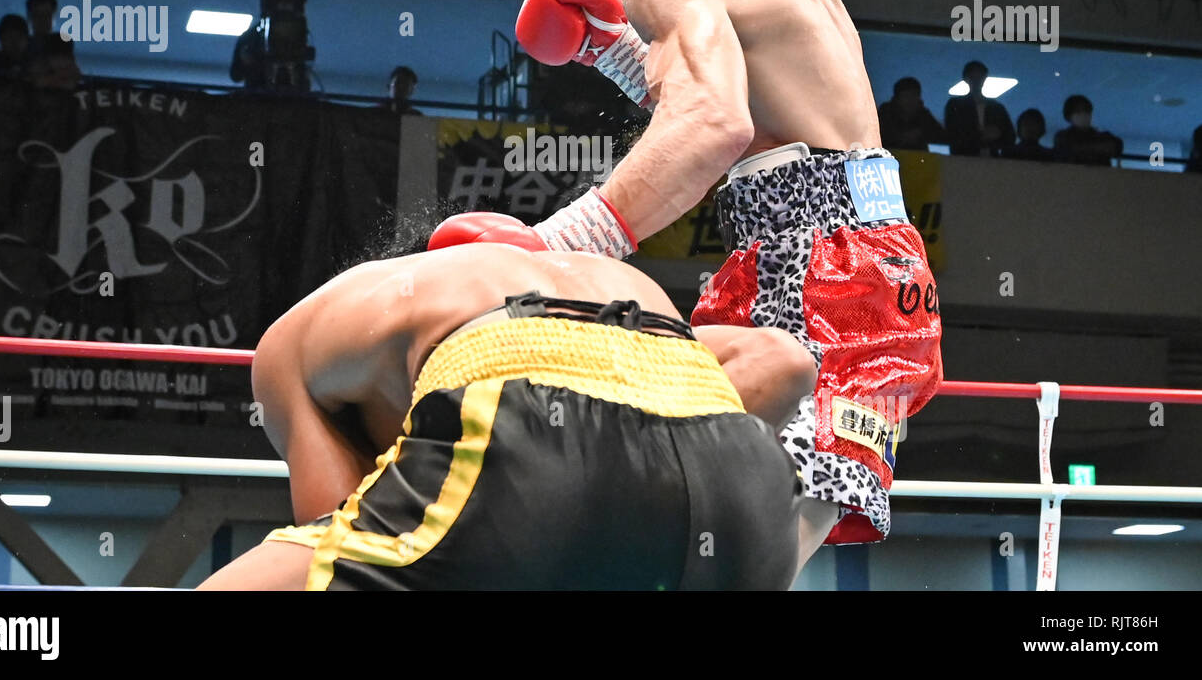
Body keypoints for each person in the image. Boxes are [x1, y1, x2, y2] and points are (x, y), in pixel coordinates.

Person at [445, 0, 944, 549]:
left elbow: (713, 122)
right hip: (868, 262)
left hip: (812, 268)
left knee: (719, 540)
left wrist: (553, 249)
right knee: (702, 528)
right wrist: (612, 53)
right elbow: (757, 102)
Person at [198, 238, 816, 590]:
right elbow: (786, 360)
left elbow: (332, 531)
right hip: (745, 489)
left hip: (526, 434)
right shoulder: (607, 281)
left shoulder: (303, 337)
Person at [942, 61, 1014, 157]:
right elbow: (952, 134)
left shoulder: (997, 108)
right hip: (965, 159)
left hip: (981, 160)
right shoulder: (955, 105)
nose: (977, 81)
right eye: (973, 77)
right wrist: (984, 136)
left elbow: (1010, 136)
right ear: (966, 79)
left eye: (979, 77)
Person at [25, 0, 82, 89]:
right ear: (29, 17)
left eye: (47, 15)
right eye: (38, 15)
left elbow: (70, 73)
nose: (42, 20)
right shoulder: (22, 43)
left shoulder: (62, 41)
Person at [1051, 95, 1124, 166]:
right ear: (1068, 116)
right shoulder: (1062, 136)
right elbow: (1068, 150)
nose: (1083, 114)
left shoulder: (1103, 136)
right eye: (1078, 111)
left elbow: (1117, 146)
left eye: (1086, 110)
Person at [877, 77, 946, 151]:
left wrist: (922, 133)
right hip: (889, 159)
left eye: (914, 95)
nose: (910, 100)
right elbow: (877, 138)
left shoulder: (924, 115)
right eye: (906, 96)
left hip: (920, 160)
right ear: (897, 98)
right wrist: (901, 138)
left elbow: (942, 138)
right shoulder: (885, 113)